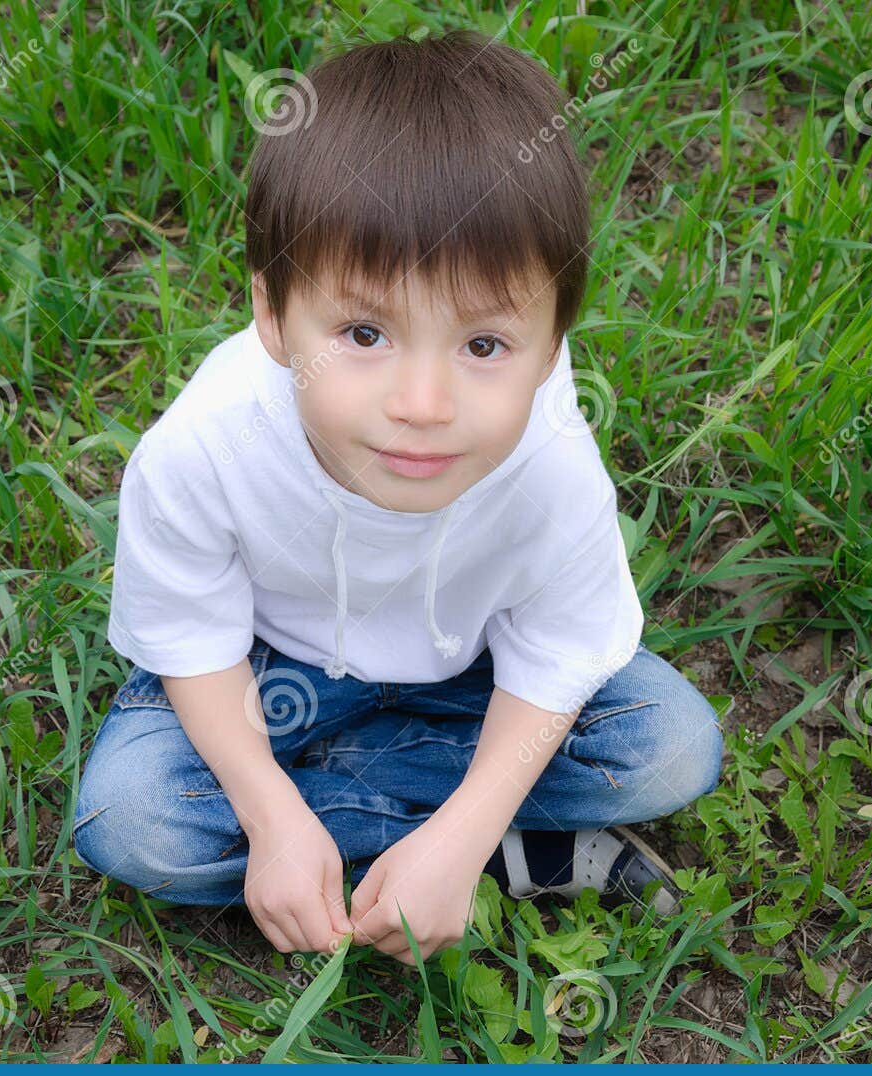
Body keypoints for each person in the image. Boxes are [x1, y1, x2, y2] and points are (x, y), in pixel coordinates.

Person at [73, 29, 723, 966]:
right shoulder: (206, 449)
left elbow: (559, 648)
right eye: (365, 334)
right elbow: (190, 638)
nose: (422, 407)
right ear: (271, 315)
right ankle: (483, 851)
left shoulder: (549, 462)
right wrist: (268, 808)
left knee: (670, 749)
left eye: (483, 346)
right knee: (129, 818)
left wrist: (460, 834)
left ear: (551, 349)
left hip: (474, 662)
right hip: (272, 675)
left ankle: (443, 848)